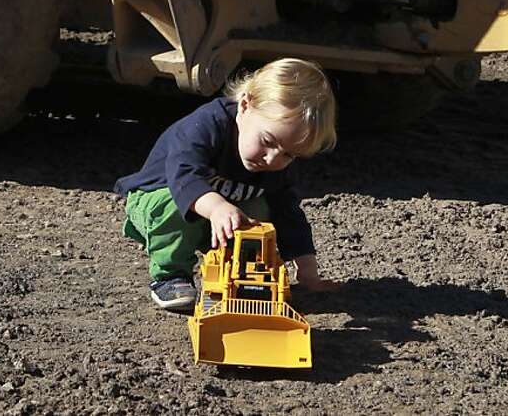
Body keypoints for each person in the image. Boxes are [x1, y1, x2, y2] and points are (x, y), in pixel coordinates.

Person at [116, 58, 340, 310]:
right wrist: (216, 208)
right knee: (174, 205)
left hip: (217, 218)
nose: (272, 158)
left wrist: (308, 272)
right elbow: (184, 175)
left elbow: (287, 212)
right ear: (245, 105)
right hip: (158, 202)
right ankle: (170, 275)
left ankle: (238, 276)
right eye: (267, 141)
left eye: (289, 154)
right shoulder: (206, 126)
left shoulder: (274, 163)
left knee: (261, 210)